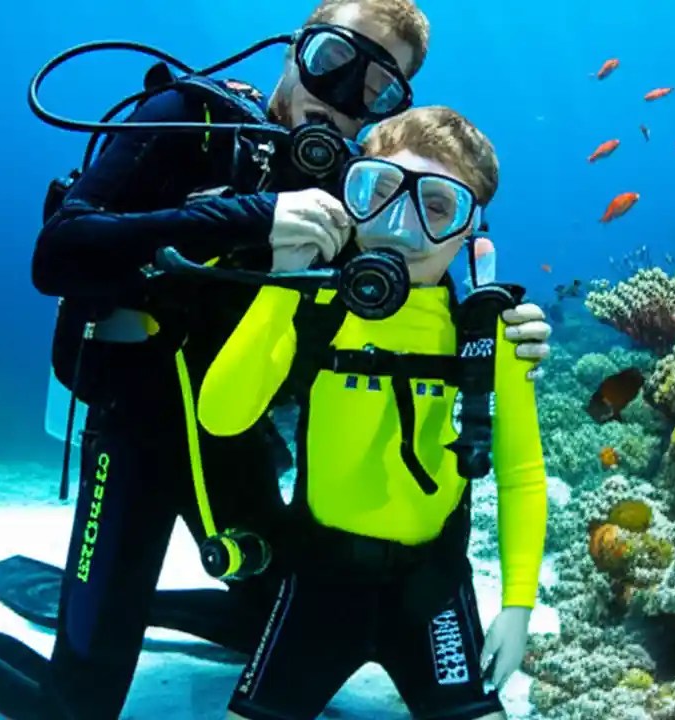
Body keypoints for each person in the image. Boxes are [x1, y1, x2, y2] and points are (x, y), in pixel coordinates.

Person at [0, 2, 552, 718]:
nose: (344, 100)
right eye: (335, 62)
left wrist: (507, 325)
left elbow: (433, 283)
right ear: (297, 46)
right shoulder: (191, 119)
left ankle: (121, 604)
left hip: (239, 439)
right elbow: (59, 253)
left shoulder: (360, 191)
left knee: (296, 619)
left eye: (377, 88)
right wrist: (247, 220)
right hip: (140, 432)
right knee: (77, 707)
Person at [196, 105, 548, 720]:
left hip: (431, 588)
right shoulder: (314, 306)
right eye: (378, 191)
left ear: (471, 232)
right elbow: (221, 416)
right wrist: (282, 285)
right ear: (348, 195)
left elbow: (521, 474)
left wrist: (517, 605)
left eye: (436, 207)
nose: (400, 225)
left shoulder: (490, 336)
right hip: (316, 579)